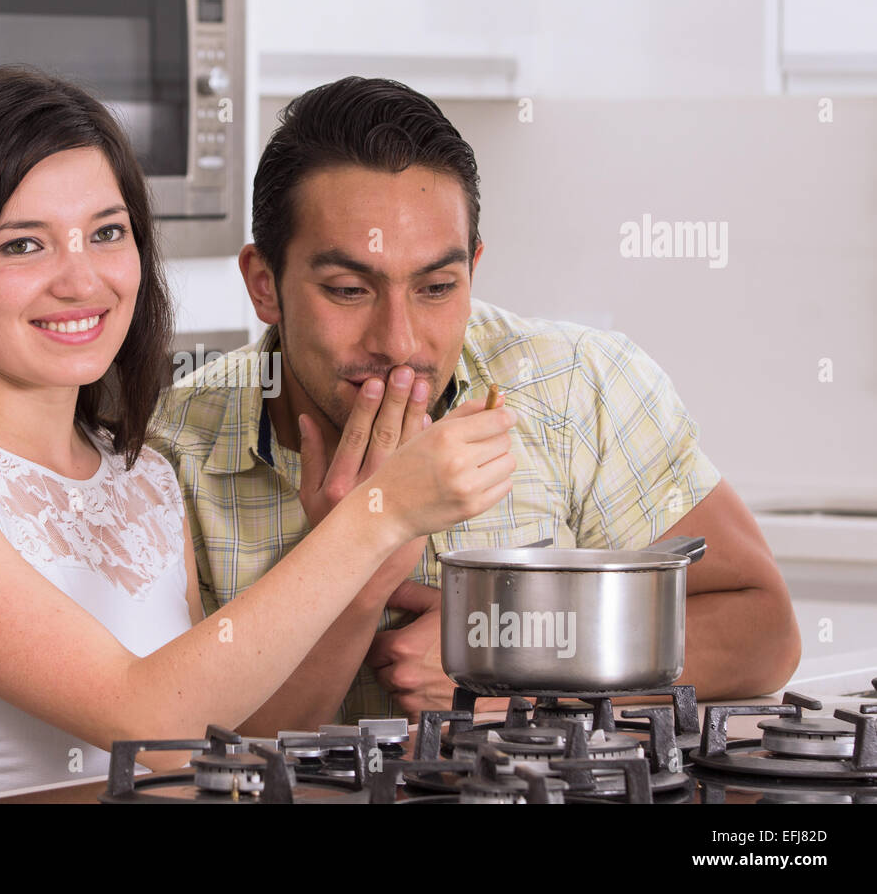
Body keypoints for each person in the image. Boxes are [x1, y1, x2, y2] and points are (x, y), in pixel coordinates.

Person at [0, 65, 519, 802]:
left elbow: (230, 756)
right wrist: (379, 512)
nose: (81, 280)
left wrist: (369, 576)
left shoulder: (141, 476)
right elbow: (144, 716)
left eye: (106, 233)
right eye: (23, 245)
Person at [148, 76, 802, 730]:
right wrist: (361, 566)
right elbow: (199, 754)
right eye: (349, 289)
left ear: (472, 269)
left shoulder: (578, 386)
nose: (399, 342)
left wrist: (518, 661)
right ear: (264, 285)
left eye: (436, 286)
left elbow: (761, 624)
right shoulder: (168, 452)